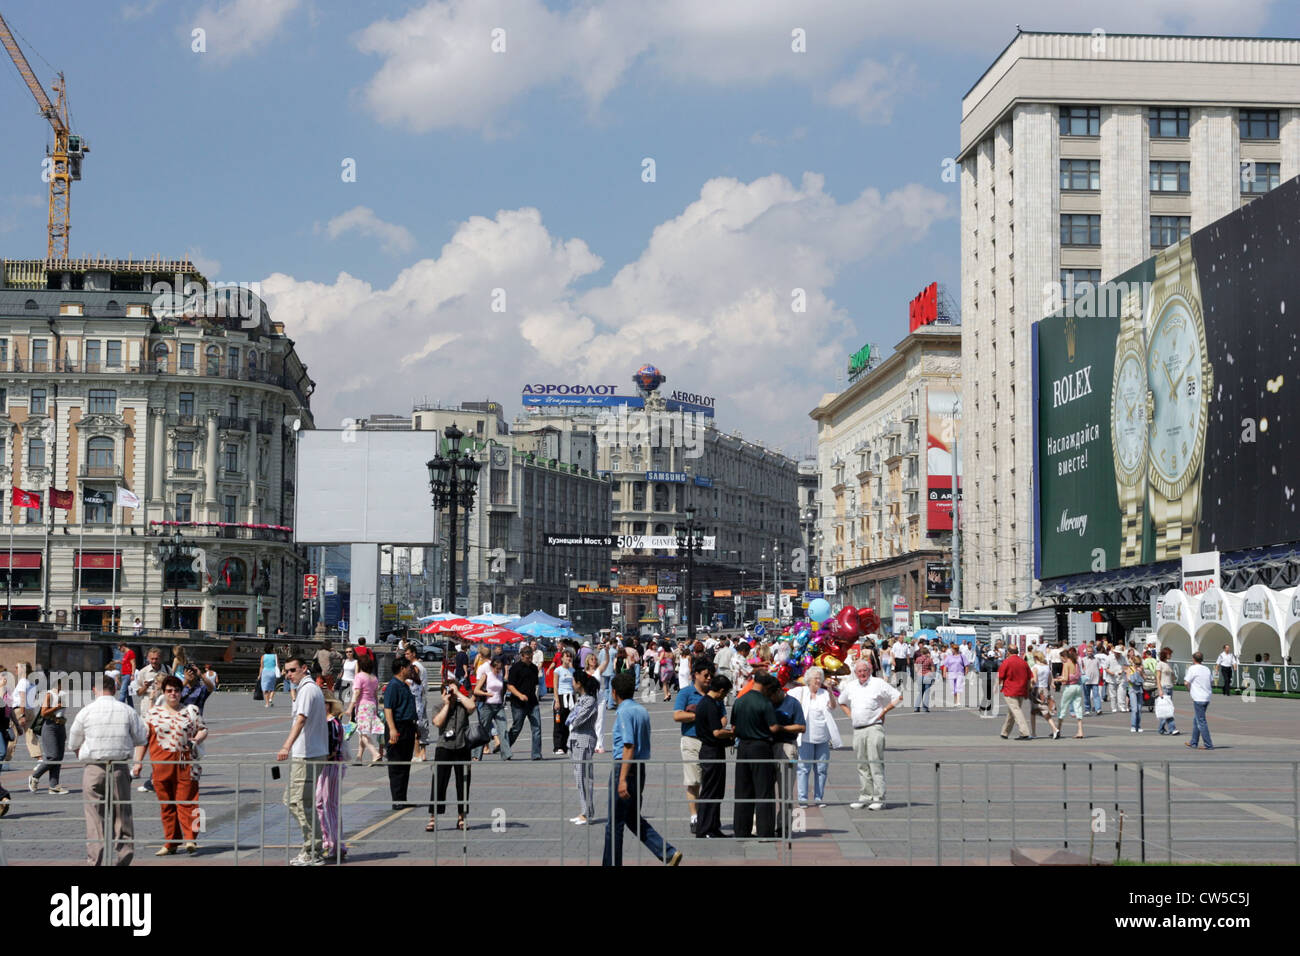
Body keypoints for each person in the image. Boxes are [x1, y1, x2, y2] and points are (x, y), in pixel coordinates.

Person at [602, 670, 683, 866]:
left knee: (614, 824)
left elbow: (628, 745)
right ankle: (667, 852)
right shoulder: (641, 710)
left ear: (614, 692)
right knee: (631, 817)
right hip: (640, 769)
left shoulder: (623, 712)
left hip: (625, 768)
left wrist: (621, 779)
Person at [69, 675, 149, 865]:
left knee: (94, 817)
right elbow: (141, 738)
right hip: (119, 767)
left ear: (94, 690)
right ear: (114, 689)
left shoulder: (86, 711)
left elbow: (73, 742)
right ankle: (124, 858)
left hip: (94, 769)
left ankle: (95, 860)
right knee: (123, 815)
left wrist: (83, 754)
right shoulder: (127, 710)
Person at [144, 675, 207, 855]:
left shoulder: (191, 711)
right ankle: (170, 842)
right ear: (163, 693)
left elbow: (203, 729)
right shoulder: (153, 713)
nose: (173, 694)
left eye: (177, 690)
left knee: (190, 802)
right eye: (169, 690)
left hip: (185, 762)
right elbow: (145, 738)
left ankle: (191, 839)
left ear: (181, 692)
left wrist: (196, 740)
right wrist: (138, 764)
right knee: (167, 805)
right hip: (161, 763)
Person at [276, 656, 330, 865]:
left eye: (292, 670)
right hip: (306, 753)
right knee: (292, 799)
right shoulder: (305, 689)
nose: (289, 674)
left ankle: (313, 849)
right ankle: (313, 845)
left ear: (304, 668)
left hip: (308, 755)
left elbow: (301, 719)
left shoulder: (307, 689)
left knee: (301, 802)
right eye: (286, 671)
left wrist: (286, 746)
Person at [838, 657, 902, 810]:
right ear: (855, 672)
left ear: (870, 671)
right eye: (859, 671)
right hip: (858, 729)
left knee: (875, 763)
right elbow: (841, 701)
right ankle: (865, 796)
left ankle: (879, 797)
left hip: (874, 727)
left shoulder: (877, 683)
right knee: (862, 765)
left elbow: (898, 696)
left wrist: (885, 710)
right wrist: (850, 715)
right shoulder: (851, 686)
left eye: (865, 671)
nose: (862, 673)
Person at [731, 671, 782, 838]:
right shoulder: (764, 702)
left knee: (743, 790)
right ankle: (765, 831)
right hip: (761, 747)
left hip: (743, 747)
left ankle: (741, 830)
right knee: (764, 790)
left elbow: (733, 728)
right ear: (766, 686)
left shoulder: (740, 700)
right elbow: (773, 728)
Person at [427, 677, 476, 831]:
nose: (449, 694)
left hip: (462, 747)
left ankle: (462, 817)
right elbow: (438, 722)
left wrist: (459, 694)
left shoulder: (462, 706)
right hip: (444, 748)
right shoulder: (439, 706)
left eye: (451, 691)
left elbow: (472, 706)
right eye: (447, 691)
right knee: (439, 783)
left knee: (463, 783)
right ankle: (433, 817)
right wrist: (447, 704)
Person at [789, 667, 840, 807]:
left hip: (822, 738)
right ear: (808, 679)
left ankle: (819, 798)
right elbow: (785, 695)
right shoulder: (800, 691)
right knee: (803, 769)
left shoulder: (824, 693)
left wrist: (830, 690)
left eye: (820, 678)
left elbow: (833, 706)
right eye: (815, 678)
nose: (818, 680)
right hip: (805, 738)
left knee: (822, 769)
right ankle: (802, 798)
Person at [673, 658, 714, 833]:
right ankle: (694, 816)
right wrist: (699, 716)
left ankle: (708, 817)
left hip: (710, 742)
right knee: (693, 781)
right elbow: (677, 715)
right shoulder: (686, 693)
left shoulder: (713, 693)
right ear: (695, 675)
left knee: (709, 782)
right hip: (691, 740)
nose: (709, 678)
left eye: (711, 675)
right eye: (705, 675)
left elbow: (722, 717)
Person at [694, 673, 734, 838]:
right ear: (721, 690)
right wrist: (732, 733)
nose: (724, 697)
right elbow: (716, 732)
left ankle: (713, 826)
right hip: (711, 751)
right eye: (725, 693)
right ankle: (704, 828)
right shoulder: (709, 705)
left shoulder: (706, 702)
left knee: (716, 791)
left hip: (712, 750)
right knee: (710, 791)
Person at [766, 675, 805, 838]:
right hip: (767, 747)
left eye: (771, 695)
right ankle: (763, 825)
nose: (769, 698)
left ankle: (784, 825)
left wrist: (781, 728)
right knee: (764, 790)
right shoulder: (766, 702)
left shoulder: (793, 703)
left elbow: (802, 727)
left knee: (786, 791)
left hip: (787, 747)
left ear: (779, 691)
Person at [383, 656, 419, 809]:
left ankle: (402, 798)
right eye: (409, 667)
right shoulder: (393, 685)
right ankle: (397, 800)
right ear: (402, 668)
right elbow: (388, 709)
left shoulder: (404, 685)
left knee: (405, 764)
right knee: (397, 765)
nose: (411, 669)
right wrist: (392, 728)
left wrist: (415, 728)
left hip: (408, 727)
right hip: (397, 727)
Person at [566, 670, 600, 825]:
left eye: (574, 681)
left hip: (584, 739)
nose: (572, 684)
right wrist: (572, 717)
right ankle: (584, 811)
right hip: (575, 739)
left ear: (579, 683)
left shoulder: (590, 700)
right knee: (579, 777)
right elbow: (570, 718)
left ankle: (587, 813)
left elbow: (577, 719)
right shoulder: (582, 699)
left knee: (584, 777)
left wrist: (572, 717)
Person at [317, 693, 349, 861]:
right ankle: (328, 840)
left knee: (330, 804)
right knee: (320, 803)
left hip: (331, 766)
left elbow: (332, 750)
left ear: (327, 705)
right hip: (327, 766)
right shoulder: (328, 723)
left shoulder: (332, 724)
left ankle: (336, 845)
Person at [29, 676, 71, 794]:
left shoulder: (63, 694)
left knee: (59, 757)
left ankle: (54, 786)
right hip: (49, 727)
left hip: (60, 726)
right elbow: (43, 712)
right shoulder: (49, 694)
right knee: (52, 756)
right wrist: (57, 707)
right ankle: (35, 776)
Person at [506, 645, 543, 760]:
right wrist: (520, 695)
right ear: (521, 656)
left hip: (532, 702)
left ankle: (536, 754)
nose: (530, 659)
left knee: (537, 728)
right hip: (518, 703)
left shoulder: (533, 668)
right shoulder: (515, 668)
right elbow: (510, 686)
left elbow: (535, 684)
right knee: (517, 728)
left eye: (531, 657)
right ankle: (505, 747)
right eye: (527, 657)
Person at [348, 652, 384, 764]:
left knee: (363, 732)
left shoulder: (359, 676)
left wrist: (350, 707)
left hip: (362, 706)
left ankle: (375, 753)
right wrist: (377, 708)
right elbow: (375, 695)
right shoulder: (374, 678)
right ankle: (359, 757)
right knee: (362, 731)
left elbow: (357, 692)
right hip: (372, 705)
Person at [997, 646, 1035, 740]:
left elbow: (1000, 676)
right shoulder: (1023, 662)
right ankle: (1005, 732)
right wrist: (1028, 689)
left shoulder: (1007, 661)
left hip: (1010, 690)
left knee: (1016, 711)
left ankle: (1024, 732)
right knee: (1012, 711)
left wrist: (996, 686)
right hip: (1021, 690)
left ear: (1009, 652)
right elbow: (1030, 677)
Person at [1183, 651, 1215, 750]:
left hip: (1198, 698)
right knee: (1196, 719)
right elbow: (1212, 681)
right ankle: (1194, 742)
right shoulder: (1206, 669)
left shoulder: (1192, 668)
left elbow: (1186, 682)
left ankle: (1208, 744)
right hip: (1206, 697)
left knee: (1201, 721)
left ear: (1193, 659)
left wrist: (1190, 690)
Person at [1028, 651, 1061, 739]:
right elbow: (1050, 681)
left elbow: (1034, 680)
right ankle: (1054, 729)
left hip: (1037, 691)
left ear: (1036, 658)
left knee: (1033, 712)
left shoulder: (1035, 667)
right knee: (1045, 711)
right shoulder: (1047, 667)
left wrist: (1029, 681)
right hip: (1045, 690)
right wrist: (1053, 685)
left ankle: (1035, 732)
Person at [1054, 647, 1085, 739]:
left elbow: (1065, 678)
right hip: (1078, 687)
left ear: (1064, 657)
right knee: (1078, 707)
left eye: (1061, 658)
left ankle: (1058, 729)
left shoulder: (1066, 664)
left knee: (1063, 707)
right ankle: (1080, 731)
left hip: (1069, 687)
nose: (1061, 660)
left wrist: (1056, 679)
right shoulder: (1075, 663)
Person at [552, 649, 575, 755]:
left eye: (570, 656)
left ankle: (565, 745)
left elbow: (574, 686)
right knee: (559, 723)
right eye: (566, 656)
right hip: (561, 696)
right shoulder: (558, 670)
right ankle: (557, 746)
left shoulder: (572, 671)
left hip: (570, 697)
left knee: (568, 722)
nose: (568, 658)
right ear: (562, 658)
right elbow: (555, 686)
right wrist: (557, 700)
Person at [584, 652, 607, 753]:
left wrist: (606, 651)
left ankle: (599, 744)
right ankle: (589, 743)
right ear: (588, 661)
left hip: (599, 699)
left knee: (599, 722)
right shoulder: (583, 672)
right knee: (588, 722)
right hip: (588, 699)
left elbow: (606, 661)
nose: (594, 661)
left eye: (595, 659)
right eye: (592, 659)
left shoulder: (598, 671)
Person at [1156, 647, 1181, 736]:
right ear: (1165, 654)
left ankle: (1160, 729)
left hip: (1170, 687)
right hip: (1164, 687)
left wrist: (1174, 679)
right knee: (1168, 709)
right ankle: (1172, 728)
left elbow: (1171, 676)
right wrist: (1160, 690)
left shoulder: (1168, 664)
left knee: (1166, 709)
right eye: (1169, 654)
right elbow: (1158, 678)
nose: (1171, 655)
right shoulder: (1160, 664)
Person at [1124, 649, 1145, 733]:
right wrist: (1134, 676)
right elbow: (1128, 679)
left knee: (1139, 708)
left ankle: (1138, 725)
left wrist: (1141, 673)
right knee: (1134, 708)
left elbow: (1145, 678)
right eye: (1137, 664)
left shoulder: (1140, 669)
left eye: (1139, 664)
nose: (1138, 666)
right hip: (1132, 689)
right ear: (1133, 663)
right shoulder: (1130, 669)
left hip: (1139, 689)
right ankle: (1133, 725)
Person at [1103, 644, 1127, 713]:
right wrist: (1111, 673)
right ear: (1114, 652)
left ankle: (1122, 706)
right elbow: (1105, 668)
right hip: (1111, 678)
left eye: (1119, 653)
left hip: (1121, 677)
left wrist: (1122, 670)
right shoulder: (1109, 658)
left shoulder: (1123, 658)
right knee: (1113, 694)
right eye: (1117, 653)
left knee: (1121, 693)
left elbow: (1126, 665)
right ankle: (1113, 707)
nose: (1118, 654)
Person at [913, 641, 935, 712]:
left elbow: (916, 669)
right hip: (927, 675)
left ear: (922, 652)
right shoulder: (929, 659)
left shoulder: (918, 659)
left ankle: (916, 707)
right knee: (927, 692)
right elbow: (932, 669)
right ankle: (925, 707)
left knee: (920, 692)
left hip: (920, 676)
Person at [258, 643, 280, 708]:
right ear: (271, 649)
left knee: (265, 689)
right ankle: (270, 698)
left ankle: (267, 703)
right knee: (272, 687)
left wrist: (259, 675)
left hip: (265, 673)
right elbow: (278, 665)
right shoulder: (275, 656)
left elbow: (261, 666)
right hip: (273, 672)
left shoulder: (263, 656)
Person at [1081, 649, 1102, 716]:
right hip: (1086, 680)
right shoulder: (1083, 659)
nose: (1090, 653)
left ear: (1093, 652)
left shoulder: (1097, 659)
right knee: (1086, 696)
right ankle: (1087, 710)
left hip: (1095, 680)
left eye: (1091, 651)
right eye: (1088, 651)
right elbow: (1081, 669)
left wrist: (1100, 677)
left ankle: (1098, 709)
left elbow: (1100, 668)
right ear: (1086, 652)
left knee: (1096, 695)